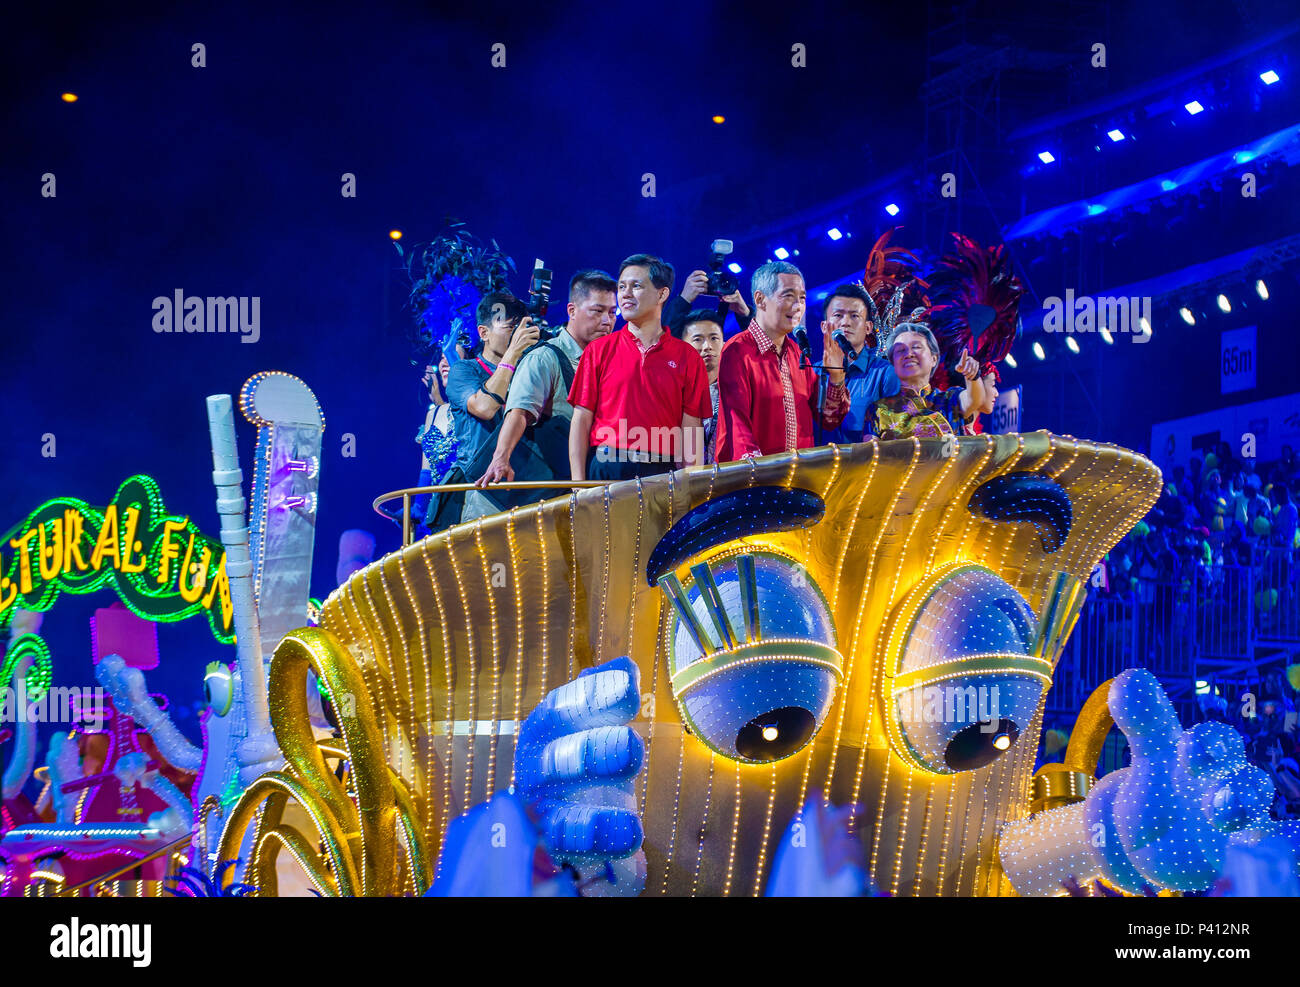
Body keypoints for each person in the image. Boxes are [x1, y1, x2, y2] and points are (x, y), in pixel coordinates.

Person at [568, 254, 711, 482]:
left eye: (636, 286)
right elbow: (581, 420)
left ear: (662, 294)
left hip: (661, 472)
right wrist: (577, 484)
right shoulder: (598, 350)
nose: (625, 293)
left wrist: (692, 487)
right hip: (606, 467)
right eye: (622, 286)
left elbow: (691, 430)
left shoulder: (688, 358)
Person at [476, 270, 619, 496]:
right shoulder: (544, 357)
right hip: (536, 495)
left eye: (613, 313)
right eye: (597, 311)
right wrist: (500, 458)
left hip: (588, 485)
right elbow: (519, 412)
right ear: (572, 310)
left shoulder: (612, 361)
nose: (606, 321)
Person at [715, 261, 849, 462]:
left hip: (797, 479)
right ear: (760, 300)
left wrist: (837, 375)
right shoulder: (737, 351)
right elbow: (737, 426)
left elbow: (829, 419)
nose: (798, 306)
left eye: (802, 298)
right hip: (754, 482)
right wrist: (761, 473)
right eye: (788, 296)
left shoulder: (797, 352)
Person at [428, 292, 540, 529]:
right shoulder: (464, 371)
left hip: (522, 492)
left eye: (519, 330)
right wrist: (511, 355)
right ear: (484, 333)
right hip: (478, 491)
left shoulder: (529, 371)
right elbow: (485, 407)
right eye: (509, 329)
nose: (515, 337)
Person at [867, 323, 984, 439]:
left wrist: (972, 376)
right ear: (893, 364)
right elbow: (871, 453)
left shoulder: (949, 399)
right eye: (900, 350)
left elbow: (974, 400)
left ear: (934, 359)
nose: (908, 354)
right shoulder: (879, 410)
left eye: (916, 347)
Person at [815, 283, 900, 443]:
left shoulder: (885, 374)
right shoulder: (812, 374)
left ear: (868, 327)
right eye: (838, 315)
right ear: (824, 326)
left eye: (855, 316)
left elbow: (895, 436)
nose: (845, 322)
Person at [681, 310, 725, 463]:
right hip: (683, 480)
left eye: (714, 338)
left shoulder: (735, 391)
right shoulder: (675, 393)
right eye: (698, 339)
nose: (707, 346)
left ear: (724, 343)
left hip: (727, 479)